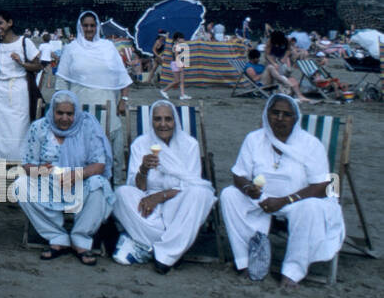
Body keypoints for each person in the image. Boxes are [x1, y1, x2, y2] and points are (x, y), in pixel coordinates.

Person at [220, 94, 344, 288]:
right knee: (229, 195)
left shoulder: (310, 144)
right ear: (266, 114)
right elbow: (239, 174)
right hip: (261, 199)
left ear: (295, 118)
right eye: (275, 112)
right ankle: (248, 263)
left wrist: (285, 200)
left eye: (286, 114)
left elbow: (322, 186)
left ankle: (292, 272)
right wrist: (247, 188)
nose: (279, 118)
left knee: (311, 208)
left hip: (297, 201)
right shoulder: (254, 139)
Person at [112, 100, 216, 272]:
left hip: (179, 201)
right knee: (120, 194)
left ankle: (156, 250)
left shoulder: (190, 145)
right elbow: (137, 188)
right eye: (157, 119)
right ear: (151, 121)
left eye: (168, 119)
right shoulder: (140, 143)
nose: (163, 124)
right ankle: (174, 247)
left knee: (201, 194)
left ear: (175, 121)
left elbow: (192, 183)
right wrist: (143, 169)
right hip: (148, 206)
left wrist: (160, 196)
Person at [19, 91, 115, 265]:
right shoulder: (39, 127)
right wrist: (39, 170)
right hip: (47, 183)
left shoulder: (87, 127)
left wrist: (77, 174)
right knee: (20, 185)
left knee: (99, 184)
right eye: (59, 113)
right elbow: (26, 165)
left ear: (76, 113)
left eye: (69, 114)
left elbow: (99, 165)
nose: (64, 118)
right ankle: (57, 237)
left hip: (80, 182)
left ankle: (80, 239)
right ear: (52, 112)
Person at [55, 11, 131, 172]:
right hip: (80, 107)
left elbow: (122, 75)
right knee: (82, 150)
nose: (89, 29)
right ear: (80, 27)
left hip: (107, 104)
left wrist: (123, 100)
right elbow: (61, 81)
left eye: (92, 25)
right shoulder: (71, 49)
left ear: (97, 27)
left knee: (109, 148)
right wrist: (63, 109)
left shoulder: (108, 47)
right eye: (85, 25)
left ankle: (112, 183)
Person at [0, 10, 43, 161]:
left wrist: (21, 63)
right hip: (0, 93)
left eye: (0, 23)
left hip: (19, 91)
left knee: (19, 129)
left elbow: (38, 66)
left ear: (10, 23)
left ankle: (19, 164)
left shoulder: (24, 42)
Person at [161, 32, 191, 101]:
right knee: (178, 81)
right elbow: (176, 56)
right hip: (177, 63)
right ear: (178, 38)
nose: (183, 40)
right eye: (182, 38)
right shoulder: (177, 45)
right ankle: (164, 90)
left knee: (179, 81)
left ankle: (182, 95)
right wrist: (180, 65)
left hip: (175, 63)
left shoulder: (174, 44)